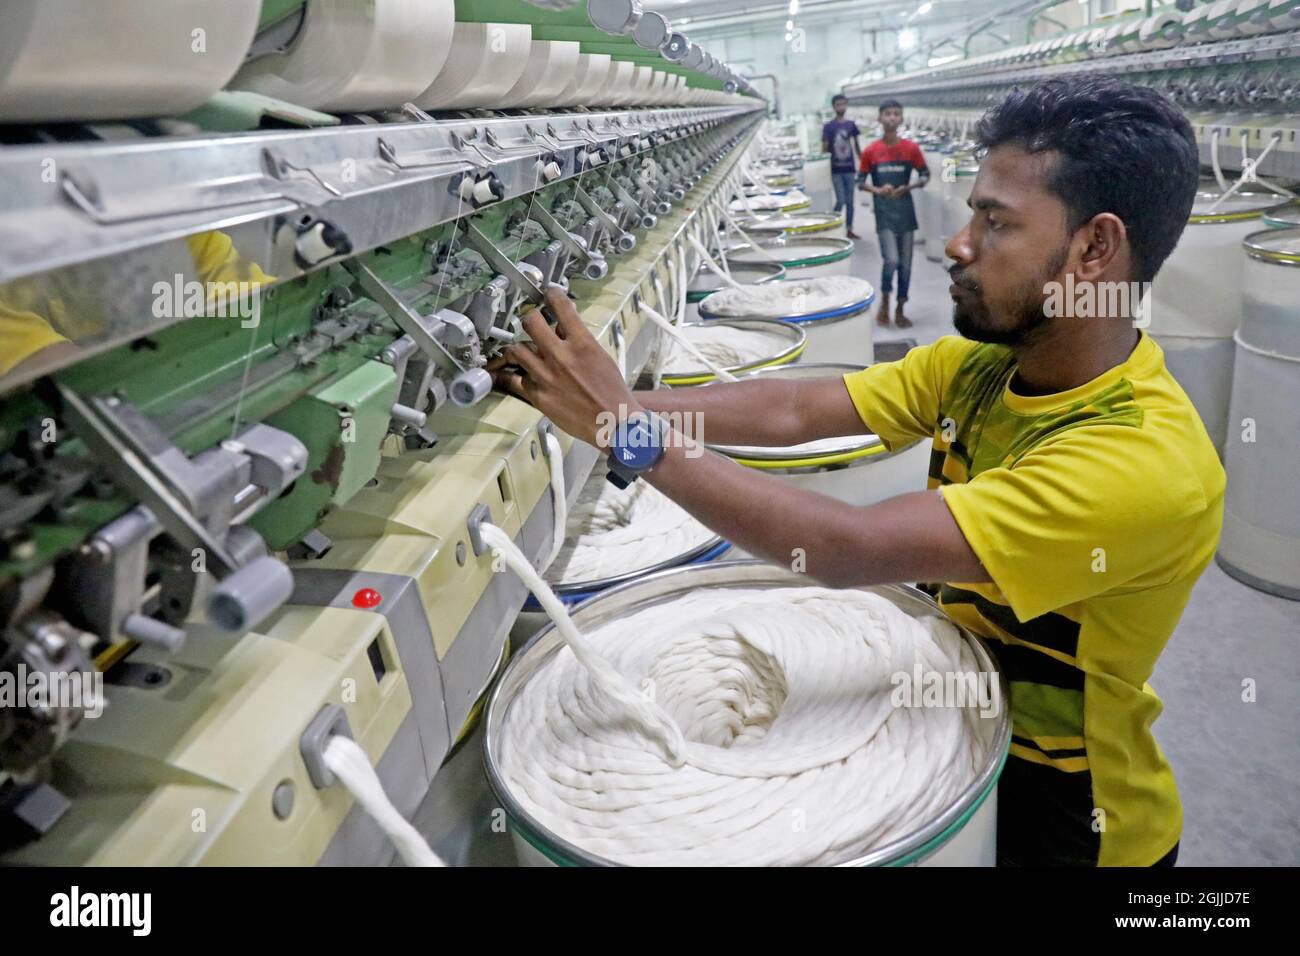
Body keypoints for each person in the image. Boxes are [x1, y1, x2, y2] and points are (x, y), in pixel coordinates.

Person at [490, 76, 1218, 867]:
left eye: (995, 222)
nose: (959, 242)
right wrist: (619, 397)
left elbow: (847, 545)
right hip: (961, 721)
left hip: (1073, 814)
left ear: (1095, 249)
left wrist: (625, 430)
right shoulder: (979, 366)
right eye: (972, 210)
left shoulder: (1141, 463)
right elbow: (798, 413)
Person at [858, 98, 929, 329]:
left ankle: (900, 307)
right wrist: (878, 189)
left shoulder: (912, 149)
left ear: (901, 118)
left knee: (906, 265)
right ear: (880, 118)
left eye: (896, 114)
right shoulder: (871, 151)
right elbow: (860, 182)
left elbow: (925, 175)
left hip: (906, 212)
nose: (892, 118)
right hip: (884, 212)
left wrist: (909, 187)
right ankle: (885, 300)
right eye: (888, 114)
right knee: (892, 260)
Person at [822, 94, 862, 240]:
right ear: (833, 107)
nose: (841, 107)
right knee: (841, 200)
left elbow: (856, 145)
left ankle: (849, 228)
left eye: (843, 104)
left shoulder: (851, 125)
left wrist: (862, 162)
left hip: (849, 168)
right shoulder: (828, 127)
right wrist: (823, 164)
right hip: (836, 169)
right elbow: (825, 147)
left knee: (850, 201)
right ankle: (832, 225)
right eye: (838, 104)